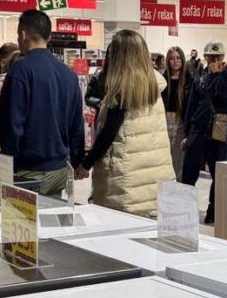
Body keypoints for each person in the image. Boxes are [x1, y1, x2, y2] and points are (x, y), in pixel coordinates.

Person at [74, 30, 173, 216]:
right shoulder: (153, 86)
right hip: (154, 177)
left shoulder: (122, 91)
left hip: (126, 180)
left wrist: (85, 164)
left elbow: (108, 134)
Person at [0, 10, 84, 196]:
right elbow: (77, 125)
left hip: (28, 169)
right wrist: (79, 162)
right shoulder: (68, 74)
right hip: (60, 168)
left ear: (23, 35)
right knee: (52, 221)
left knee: (20, 223)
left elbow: (12, 123)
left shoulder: (20, 70)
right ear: (49, 36)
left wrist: (8, 163)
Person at [181, 43, 227, 224]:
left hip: (218, 133)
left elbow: (224, 95)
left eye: (218, 58)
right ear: (205, 58)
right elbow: (190, 107)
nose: (214, 61)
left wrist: (218, 74)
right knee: (188, 172)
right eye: (211, 58)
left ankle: (213, 210)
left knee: (218, 175)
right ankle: (185, 210)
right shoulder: (199, 79)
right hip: (198, 131)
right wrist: (187, 134)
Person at [162, 46, 191, 179]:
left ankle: (177, 187)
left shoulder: (189, 80)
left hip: (180, 123)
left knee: (178, 159)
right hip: (164, 122)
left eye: (178, 58)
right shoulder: (162, 80)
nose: (175, 61)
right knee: (164, 157)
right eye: (172, 58)